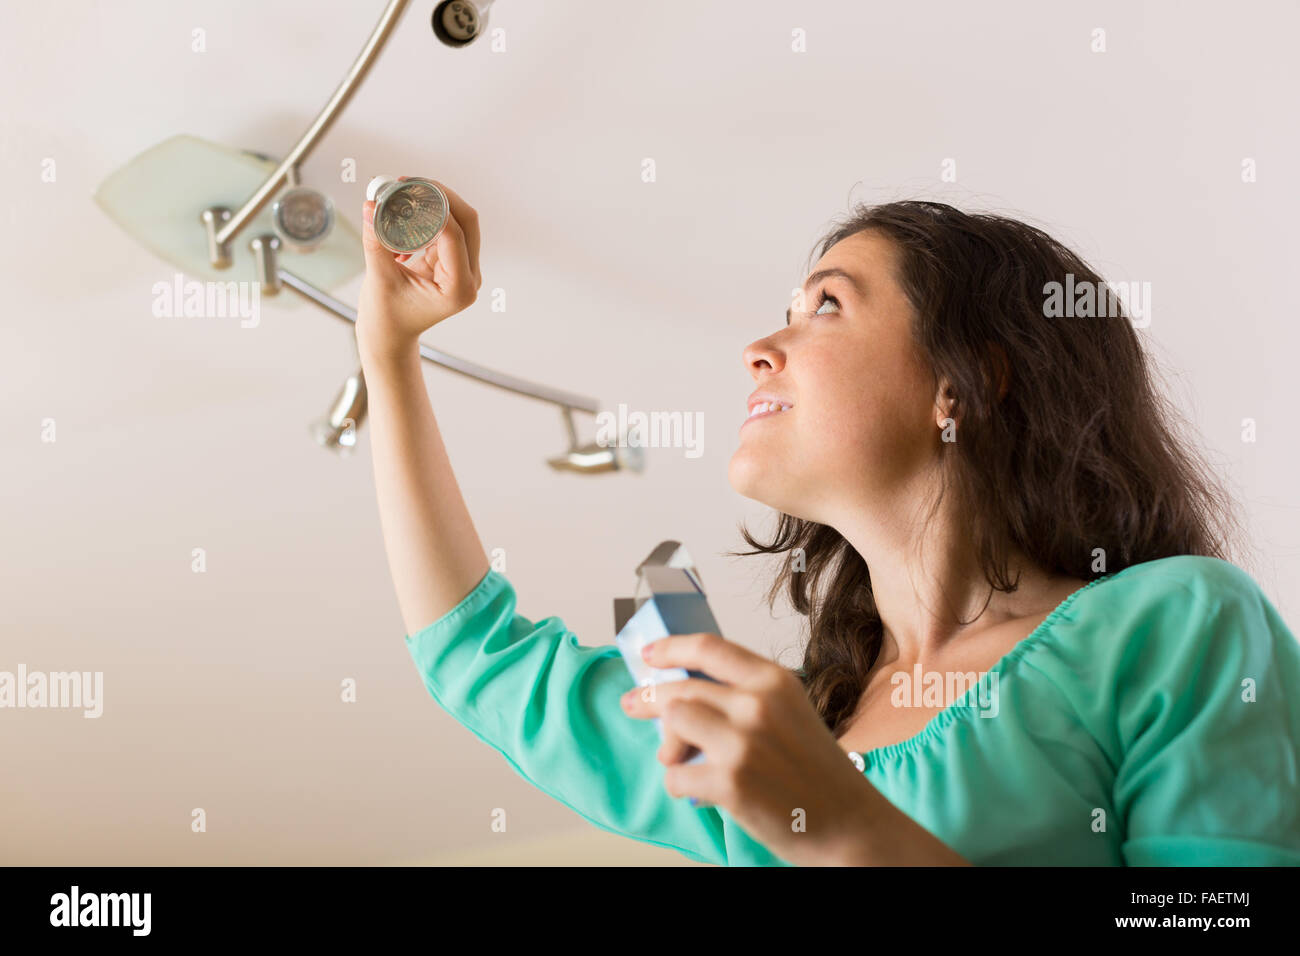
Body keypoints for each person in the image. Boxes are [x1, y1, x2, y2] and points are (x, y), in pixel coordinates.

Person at [357, 184, 1300, 866]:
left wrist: (839, 824)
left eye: (827, 306)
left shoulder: (1177, 627)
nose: (758, 350)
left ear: (961, 382)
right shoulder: (785, 733)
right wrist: (387, 350)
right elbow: (473, 655)